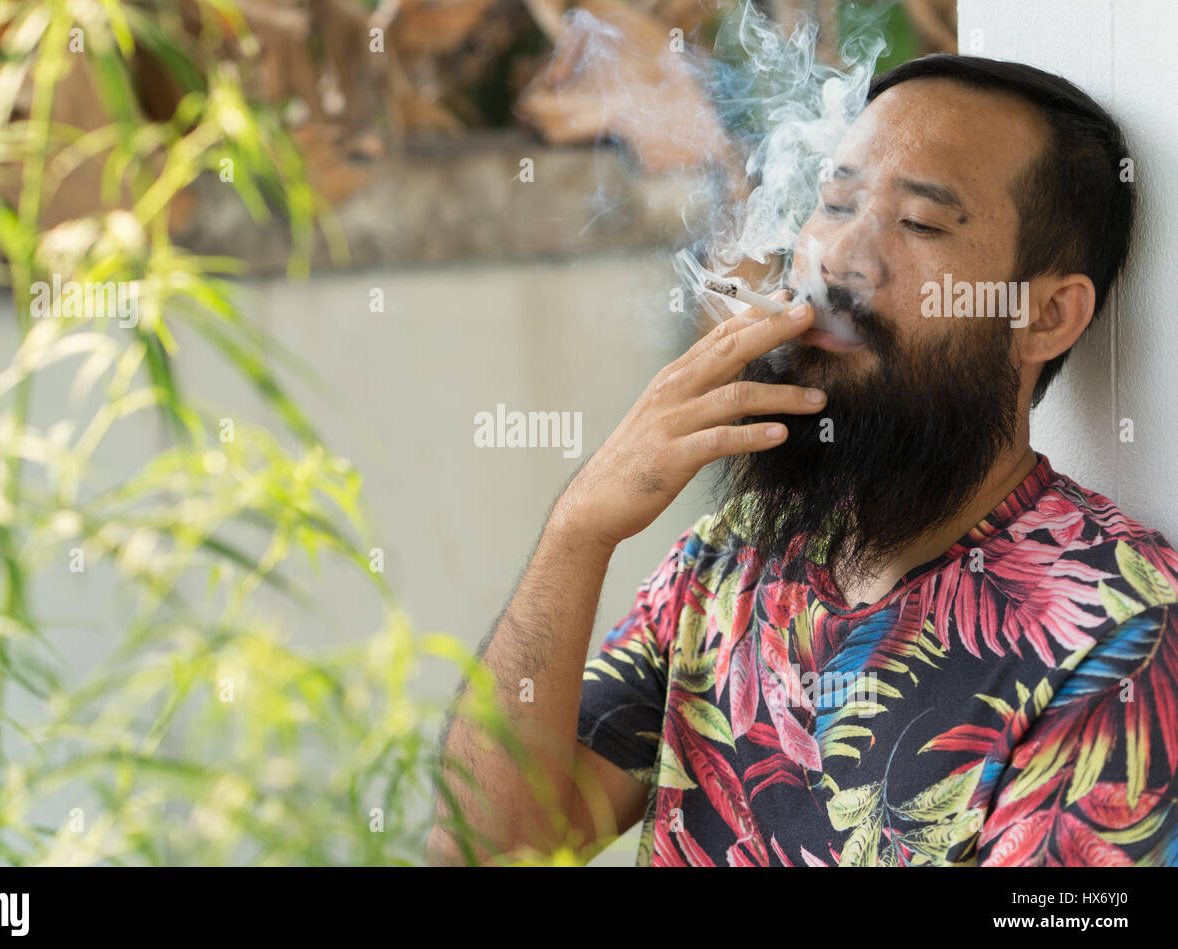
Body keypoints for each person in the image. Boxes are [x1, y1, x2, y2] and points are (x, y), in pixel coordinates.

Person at [428, 54, 1178, 866]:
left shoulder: (1122, 633)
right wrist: (578, 532)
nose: (841, 258)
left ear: (1046, 316)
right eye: (833, 203)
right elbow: (490, 848)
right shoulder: (735, 553)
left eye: (922, 224)